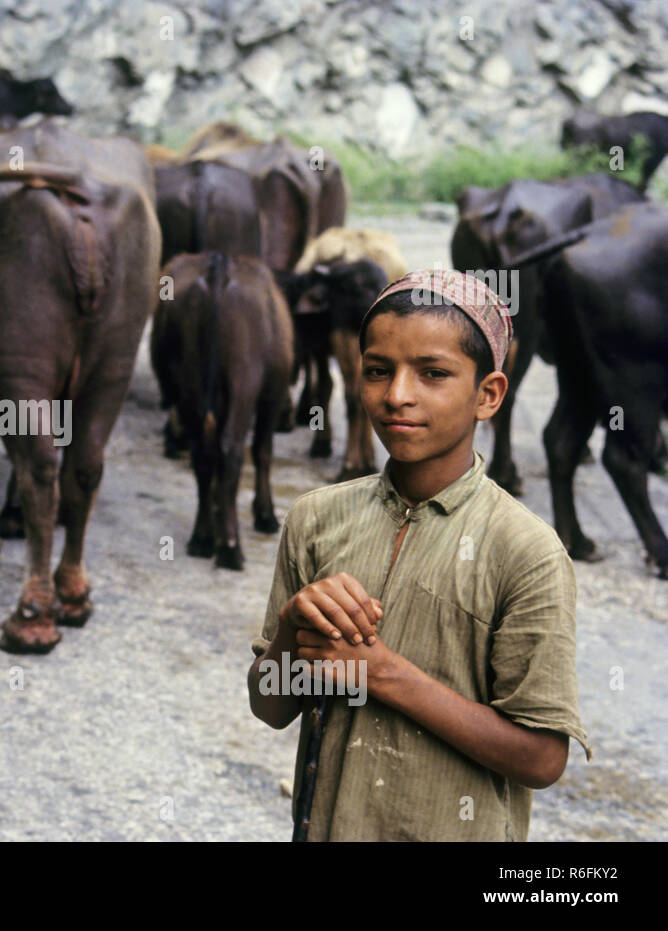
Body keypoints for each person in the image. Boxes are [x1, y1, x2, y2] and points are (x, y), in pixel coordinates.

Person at [247, 268, 590, 841]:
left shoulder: (526, 551)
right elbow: (272, 707)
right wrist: (292, 626)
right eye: (378, 371)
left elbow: (540, 759)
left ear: (488, 394)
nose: (398, 394)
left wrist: (384, 674)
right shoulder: (317, 518)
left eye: (433, 373)